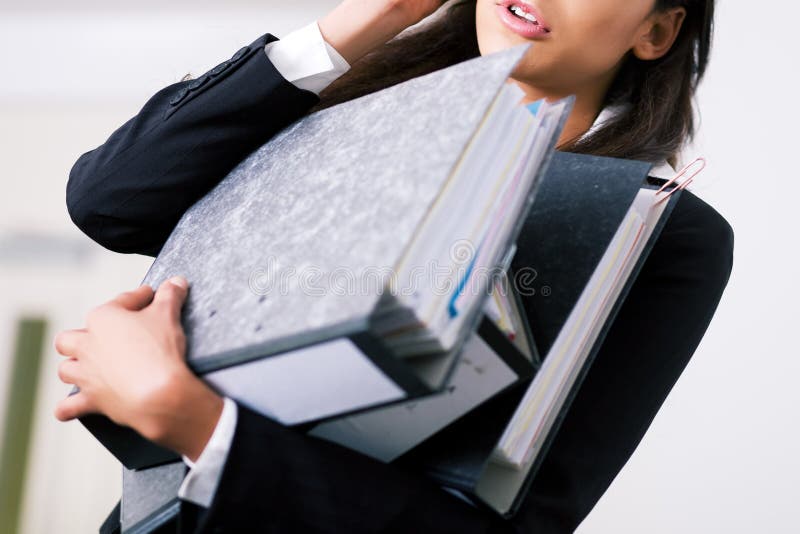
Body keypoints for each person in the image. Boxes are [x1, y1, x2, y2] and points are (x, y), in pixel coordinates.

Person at [55, 0, 734, 532]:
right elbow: (111, 204)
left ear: (657, 30)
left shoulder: (662, 234)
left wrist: (189, 418)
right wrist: (370, 19)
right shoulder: (337, 120)